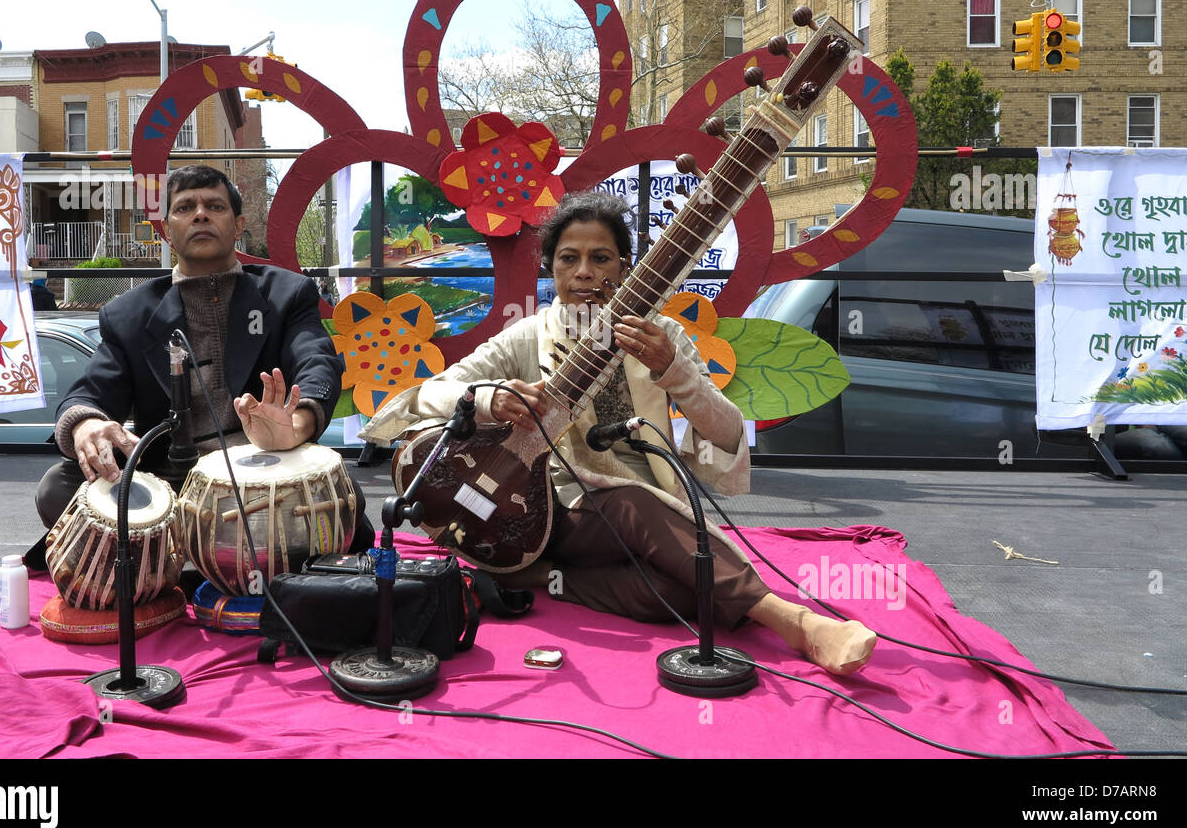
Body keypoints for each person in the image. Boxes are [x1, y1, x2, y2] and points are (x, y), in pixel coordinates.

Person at [362, 191, 875, 675]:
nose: (584, 273)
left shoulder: (663, 335)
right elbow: (422, 397)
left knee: (682, 590)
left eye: (601, 258)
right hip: (546, 509)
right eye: (569, 258)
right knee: (637, 507)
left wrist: (676, 371)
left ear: (626, 267)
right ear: (551, 266)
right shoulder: (530, 334)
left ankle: (537, 578)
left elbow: (724, 432)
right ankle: (798, 623)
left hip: (643, 516)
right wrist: (489, 399)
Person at [30, 164, 373, 566]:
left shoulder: (285, 293)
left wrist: (295, 426)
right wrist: (86, 424)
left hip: (270, 469)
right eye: (185, 208)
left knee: (348, 491)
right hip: (168, 480)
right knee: (57, 486)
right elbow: (92, 390)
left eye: (215, 206)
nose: (200, 214)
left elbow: (318, 362)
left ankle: (175, 557)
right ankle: (204, 552)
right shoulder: (129, 313)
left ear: (238, 224)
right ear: (167, 230)